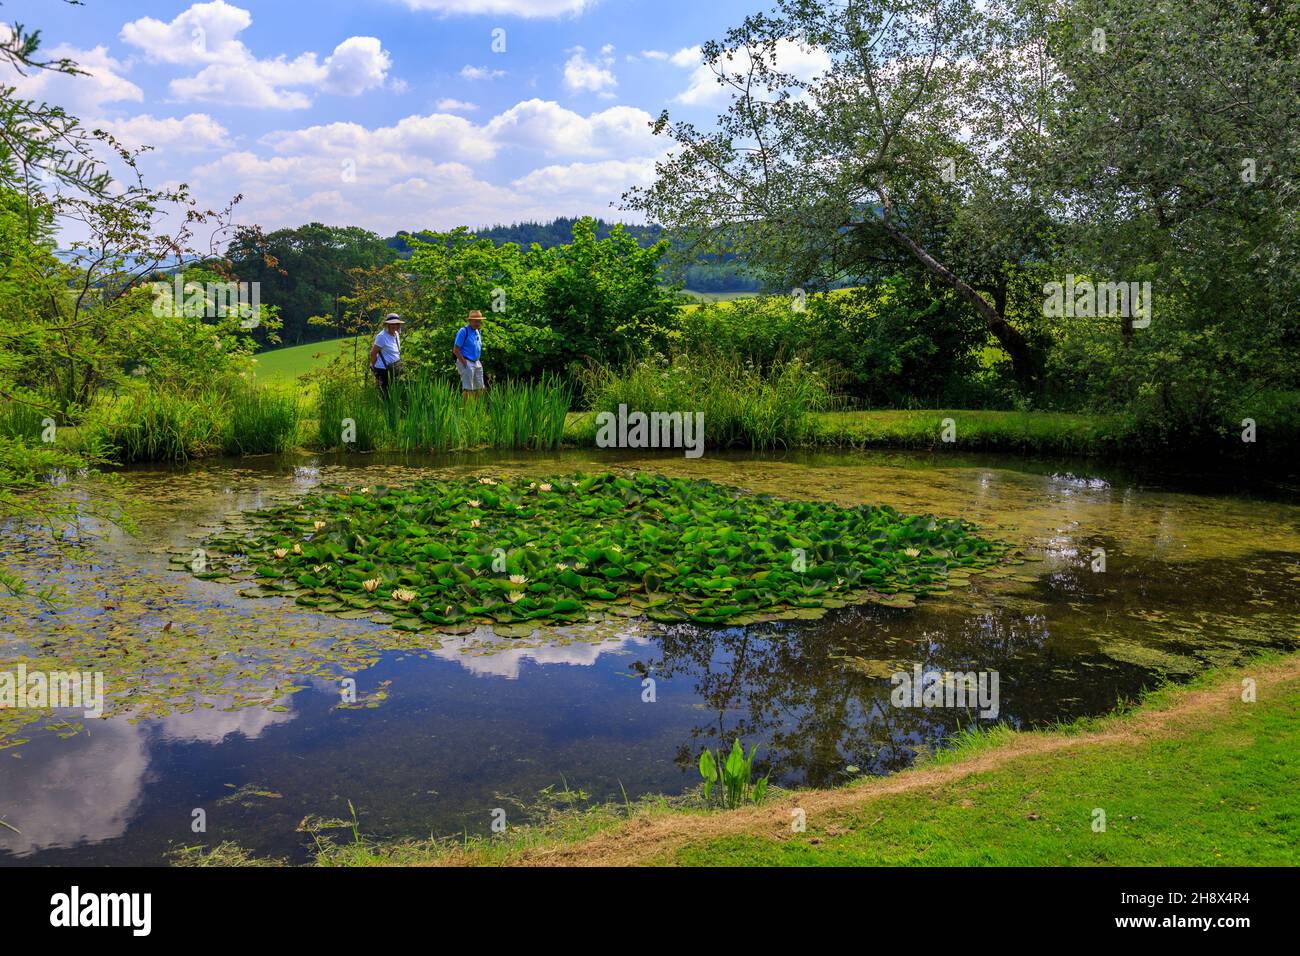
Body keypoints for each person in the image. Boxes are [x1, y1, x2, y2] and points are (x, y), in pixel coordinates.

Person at [453, 309, 486, 403]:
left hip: (476, 362)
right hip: (466, 361)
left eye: (479, 321)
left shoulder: (478, 332)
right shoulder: (463, 331)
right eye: (476, 321)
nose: (478, 323)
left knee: (479, 388)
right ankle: (465, 411)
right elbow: (455, 350)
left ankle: (474, 409)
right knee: (468, 389)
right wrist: (464, 363)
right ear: (470, 321)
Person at [368, 313, 403, 398]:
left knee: (397, 393)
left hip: (396, 367)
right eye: (392, 323)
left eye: (396, 323)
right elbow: (373, 353)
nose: (394, 325)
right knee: (386, 395)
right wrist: (375, 369)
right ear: (387, 324)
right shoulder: (382, 336)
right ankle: (386, 410)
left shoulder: (396, 334)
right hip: (384, 370)